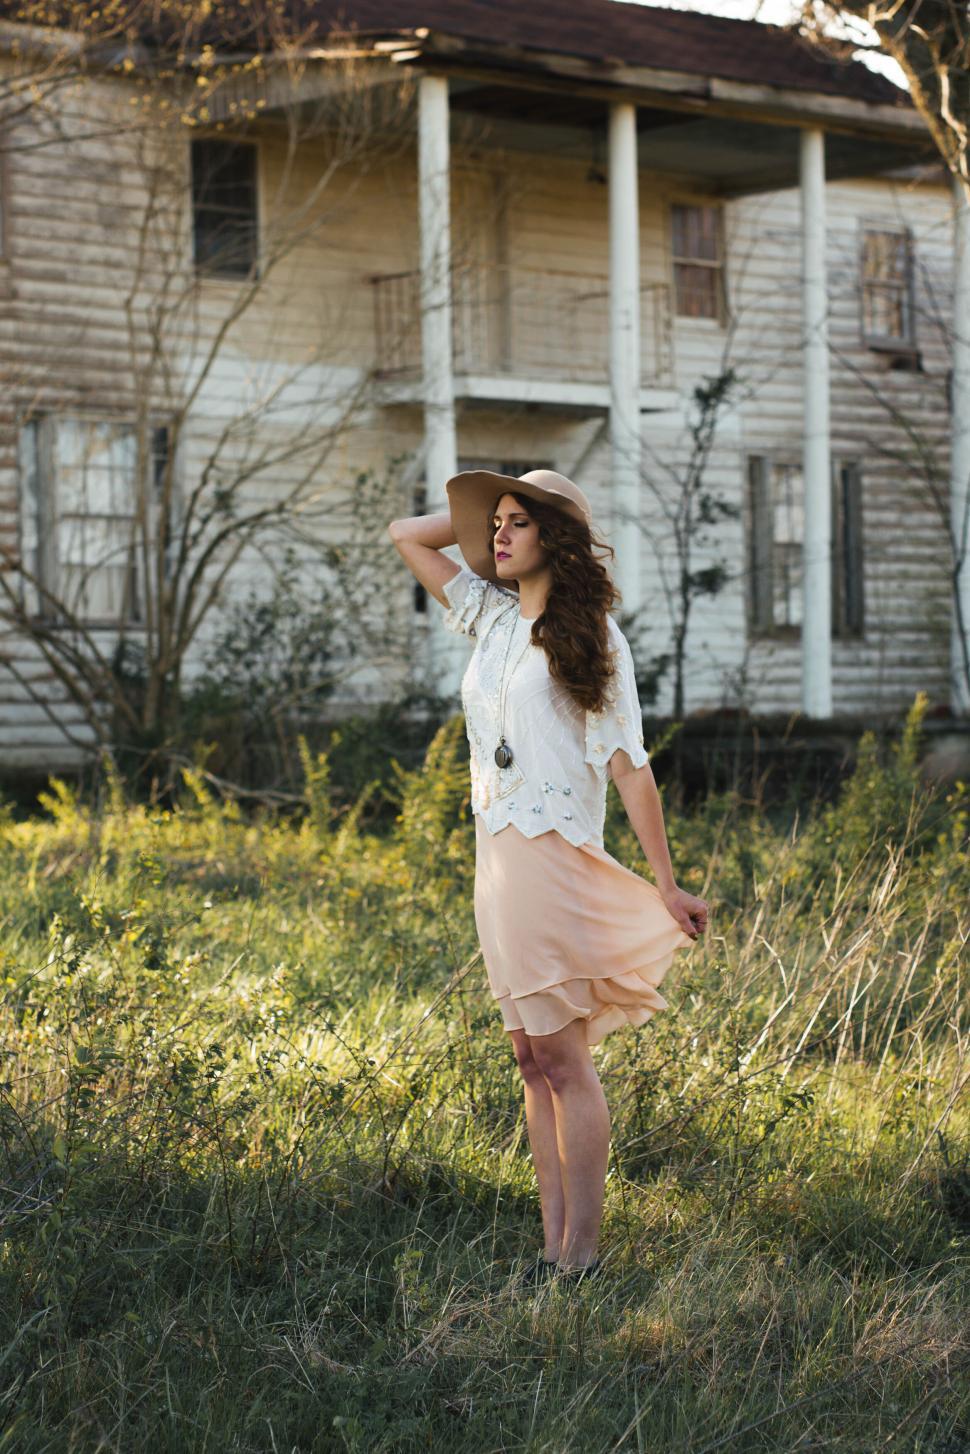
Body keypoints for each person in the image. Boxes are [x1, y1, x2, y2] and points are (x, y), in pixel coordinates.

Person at [388, 467, 709, 1290]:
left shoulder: (591, 635)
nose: (495, 535)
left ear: (555, 538)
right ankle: (551, 1248)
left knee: (563, 1059)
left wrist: (667, 884)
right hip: (496, 857)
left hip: (553, 852)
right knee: (530, 1058)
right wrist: (480, 518)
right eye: (491, 521)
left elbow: (630, 766)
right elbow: (404, 535)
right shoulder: (490, 618)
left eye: (516, 523)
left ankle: (584, 1257)